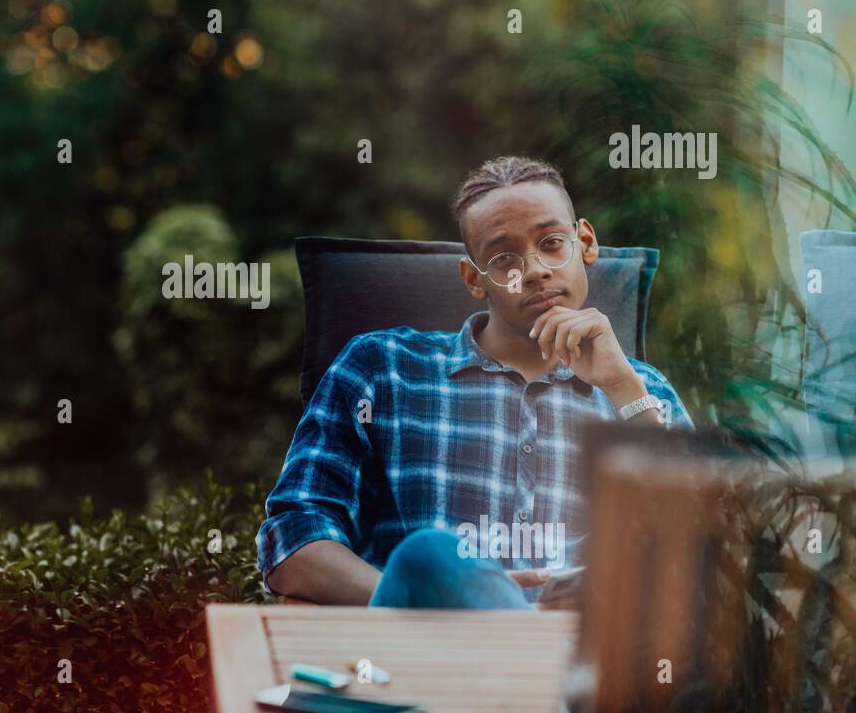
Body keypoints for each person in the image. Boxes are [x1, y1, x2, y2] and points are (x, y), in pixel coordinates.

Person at [256, 156, 694, 609]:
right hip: (427, 662)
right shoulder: (381, 370)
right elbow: (292, 544)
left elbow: (707, 555)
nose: (535, 270)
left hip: (583, 667)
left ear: (584, 242)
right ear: (473, 279)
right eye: (504, 258)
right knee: (431, 554)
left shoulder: (644, 392)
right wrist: (421, 601)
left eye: (552, 243)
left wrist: (624, 390)